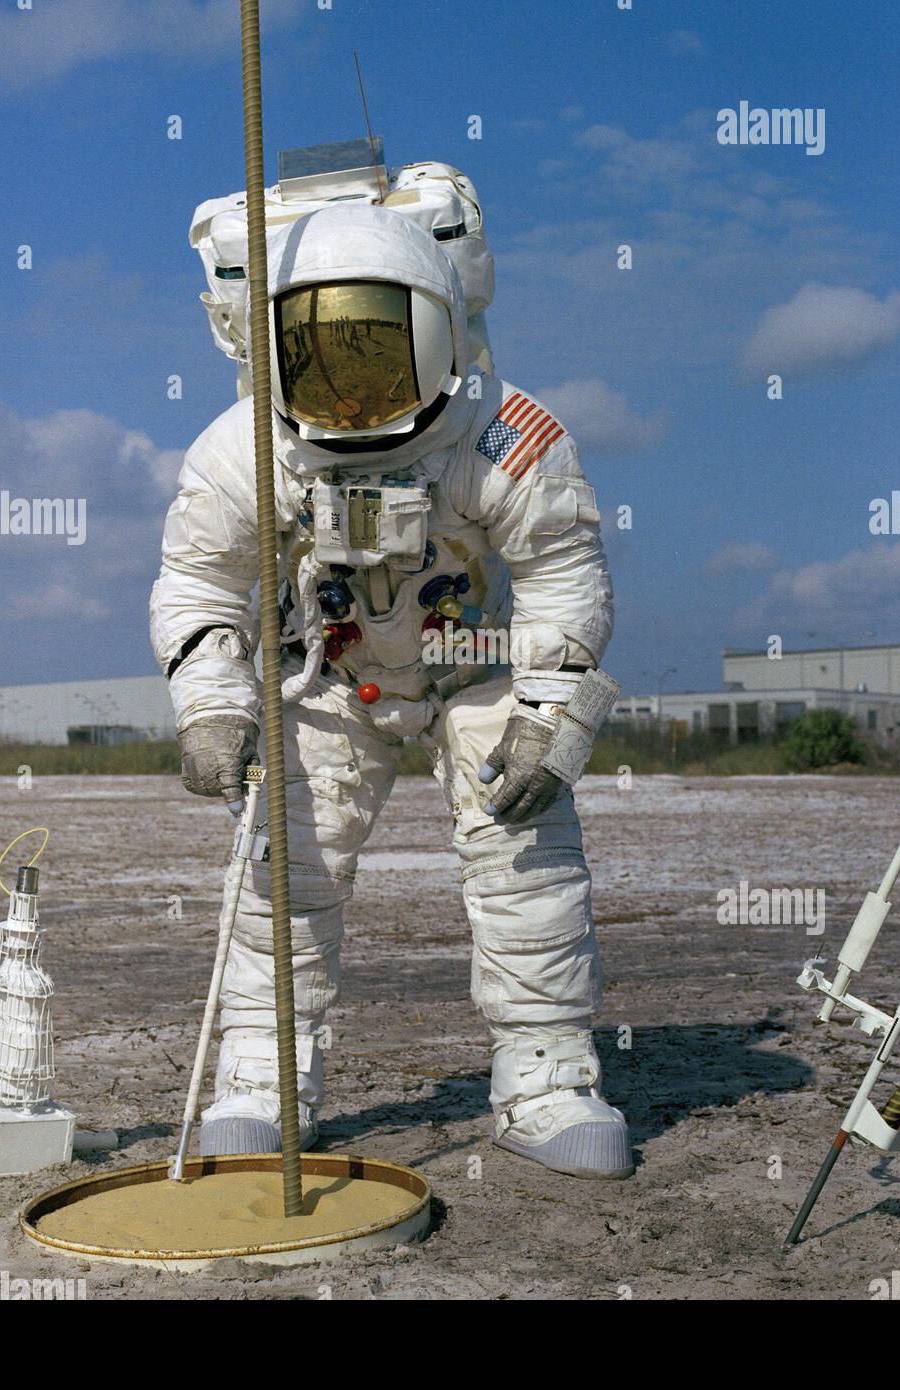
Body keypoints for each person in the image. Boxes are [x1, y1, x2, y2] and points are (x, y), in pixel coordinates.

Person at [150, 202, 630, 1178]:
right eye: (323, 357)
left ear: (439, 330)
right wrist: (210, 702)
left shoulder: (500, 434)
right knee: (285, 862)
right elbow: (199, 580)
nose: (353, 385)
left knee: (523, 845)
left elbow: (562, 572)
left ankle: (544, 1072)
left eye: (375, 352)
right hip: (330, 676)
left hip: (478, 669)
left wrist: (547, 712)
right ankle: (265, 1072)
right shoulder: (247, 450)